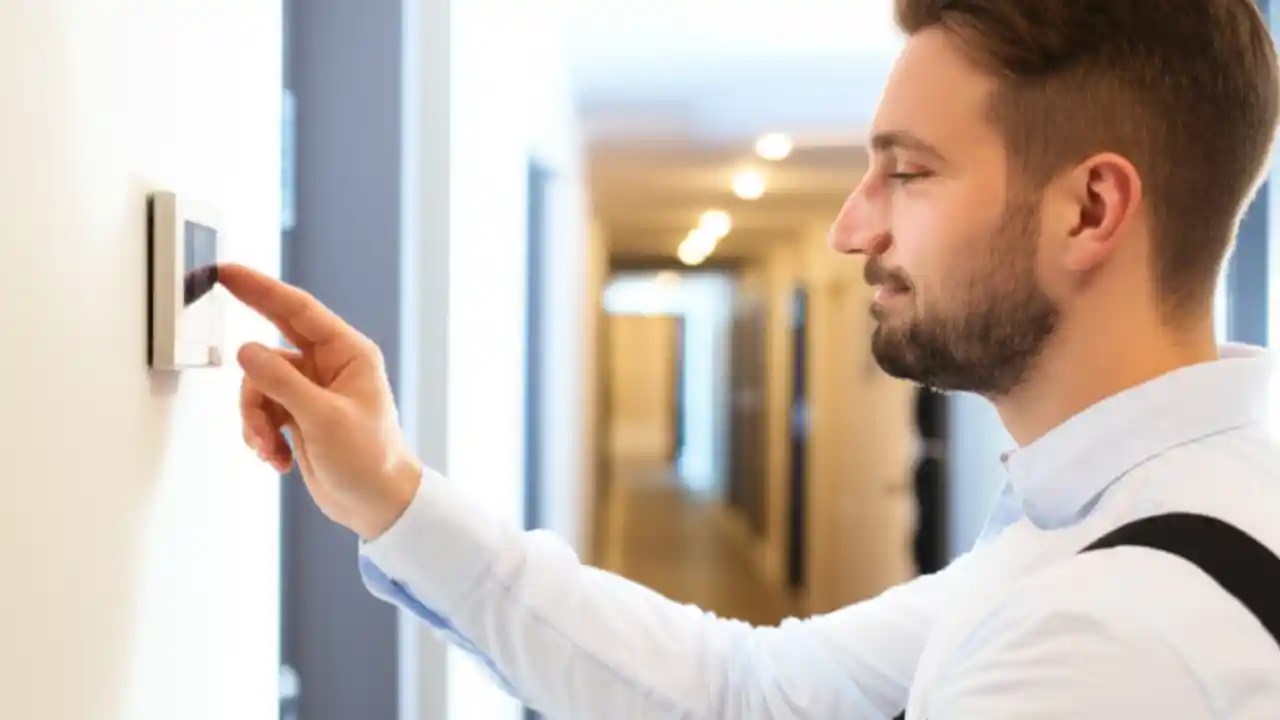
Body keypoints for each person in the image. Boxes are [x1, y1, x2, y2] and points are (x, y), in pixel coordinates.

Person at [221, 0, 1280, 716]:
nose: (852, 229)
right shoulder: (1104, 528)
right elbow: (746, 693)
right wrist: (394, 499)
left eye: (906, 174)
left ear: (1088, 209)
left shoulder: (1114, 634)